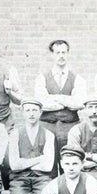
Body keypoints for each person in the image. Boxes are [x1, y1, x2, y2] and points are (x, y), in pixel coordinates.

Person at [34, 39, 86, 175]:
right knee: (48, 162)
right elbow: (41, 103)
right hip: (47, 125)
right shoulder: (42, 78)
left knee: (69, 162)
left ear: (68, 54)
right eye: (58, 52)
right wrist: (67, 100)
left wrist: (55, 97)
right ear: (52, 55)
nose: (61, 56)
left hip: (70, 125)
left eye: (64, 52)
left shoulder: (77, 78)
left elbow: (79, 103)